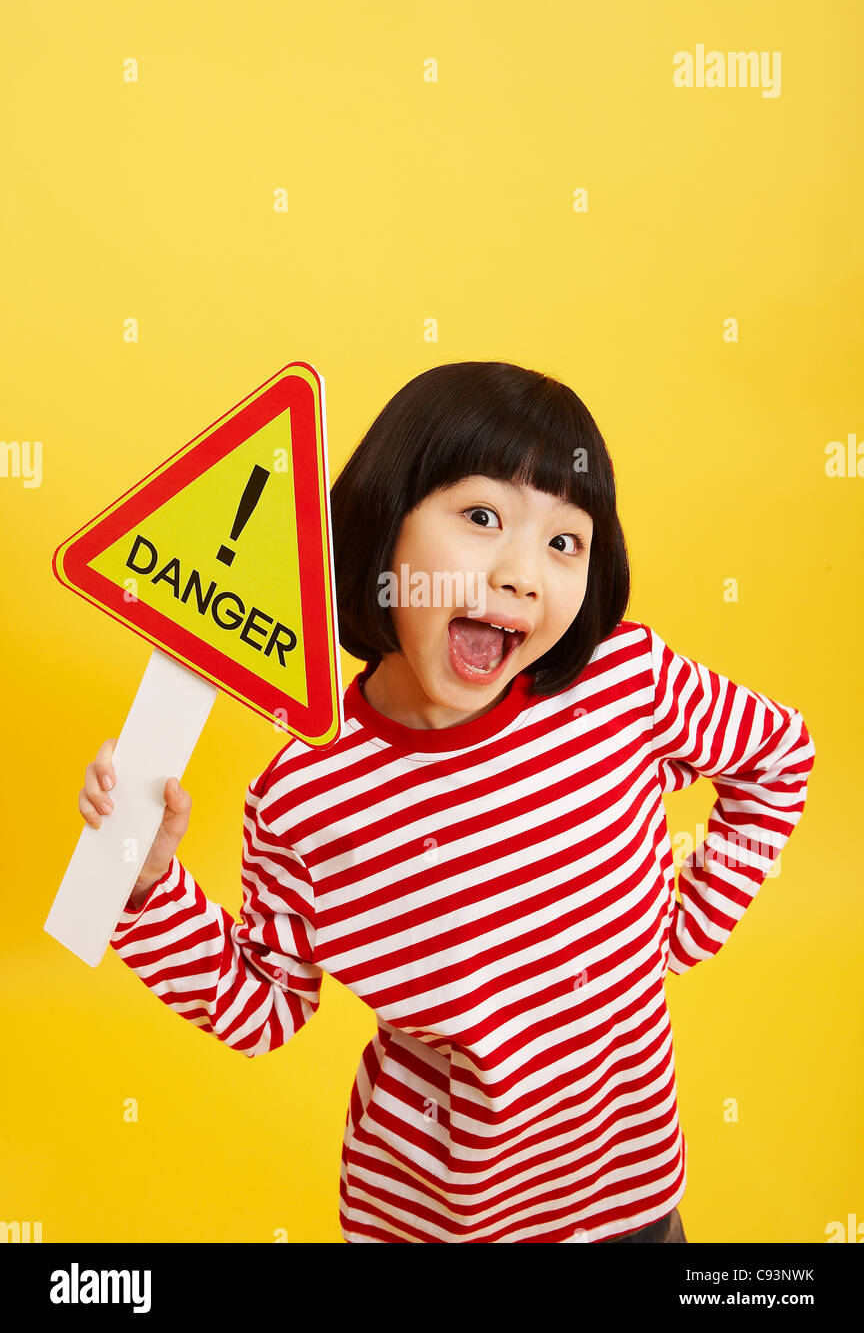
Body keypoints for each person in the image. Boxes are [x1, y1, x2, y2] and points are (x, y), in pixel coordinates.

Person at [78, 361, 815, 1243]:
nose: (521, 574)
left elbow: (777, 758)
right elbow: (264, 1004)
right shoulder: (306, 795)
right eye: (481, 517)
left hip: (631, 1196)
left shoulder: (626, 683)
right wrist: (144, 882)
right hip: (433, 1220)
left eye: (564, 542)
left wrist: (680, 927)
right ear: (386, 521)